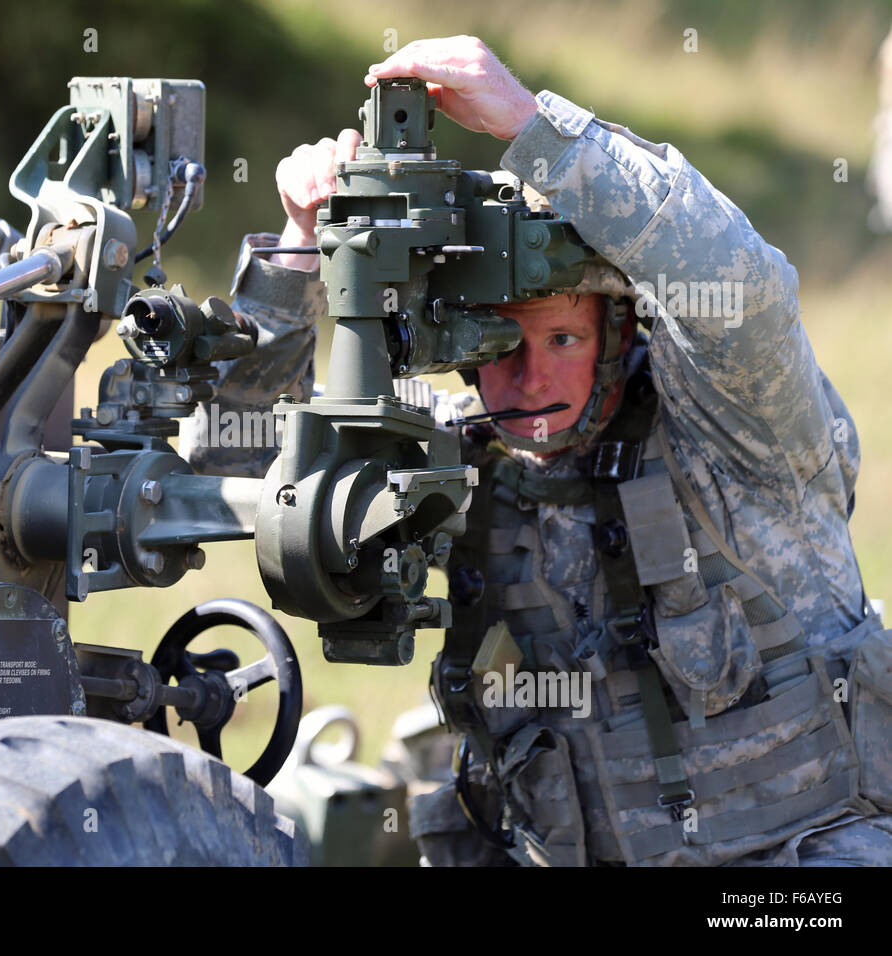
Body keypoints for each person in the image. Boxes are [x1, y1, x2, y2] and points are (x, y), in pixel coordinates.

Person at [184, 35, 892, 866]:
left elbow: (741, 291)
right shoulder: (452, 454)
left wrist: (534, 129)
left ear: (619, 327)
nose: (527, 378)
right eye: (498, 343)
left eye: (561, 337)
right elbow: (226, 454)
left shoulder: (735, 433)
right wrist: (304, 248)